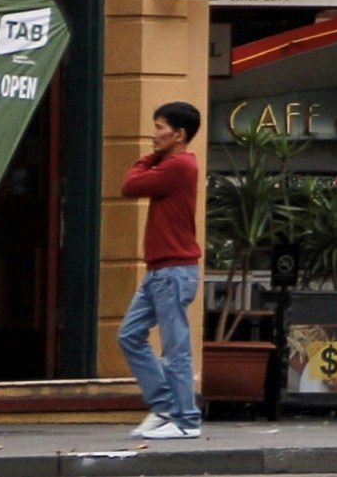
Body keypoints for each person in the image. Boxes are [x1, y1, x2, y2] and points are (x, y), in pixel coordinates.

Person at [116, 101, 206, 441]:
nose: (154, 135)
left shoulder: (180, 165)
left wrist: (149, 157)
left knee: (175, 347)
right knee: (129, 335)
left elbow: (130, 186)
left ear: (179, 134)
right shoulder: (174, 163)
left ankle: (185, 419)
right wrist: (156, 155)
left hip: (173, 270)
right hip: (160, 270)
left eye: (159, 127)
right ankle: (165, 405)